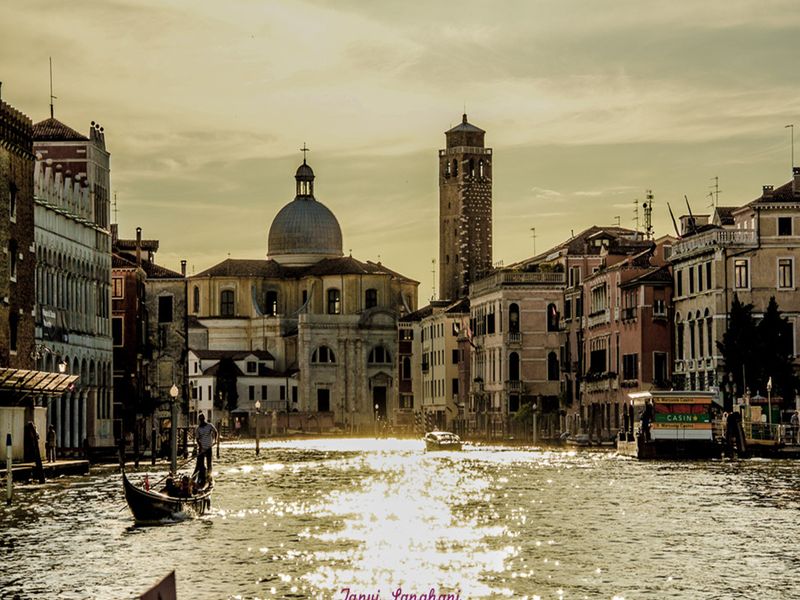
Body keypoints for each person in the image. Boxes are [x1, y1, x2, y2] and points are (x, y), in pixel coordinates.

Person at [194, 413, 218, 486]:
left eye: (202, 419)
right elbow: (197, 439)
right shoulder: (198, 429)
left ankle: (209, 477)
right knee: (201, 464)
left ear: (203, 419)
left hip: (208, 448)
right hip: (202, 449)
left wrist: (215, 440)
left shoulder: (209, 425)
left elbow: (215, 432)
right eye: (200, 419)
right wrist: (201, 447)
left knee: (209, 463)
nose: (201, 420)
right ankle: (202, 477)